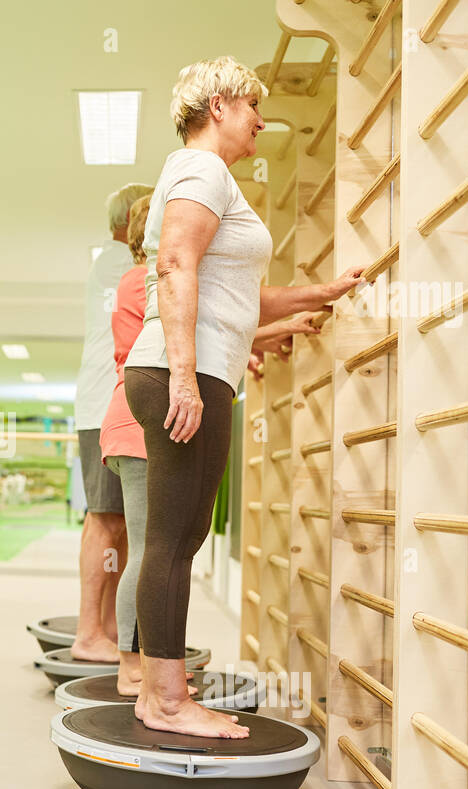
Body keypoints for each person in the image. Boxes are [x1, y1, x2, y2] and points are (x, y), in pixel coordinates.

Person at [123, 56, 364, 738]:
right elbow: (174, 264)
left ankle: (161, 688)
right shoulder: (201, 170)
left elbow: (236, 297)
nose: (261, 119)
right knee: (173, 541)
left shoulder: (210, 177)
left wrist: (322, 293)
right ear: (219, 106)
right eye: (252, 106)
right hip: (182, 373)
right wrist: (181, 374)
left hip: (197, 370)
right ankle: (164, 700)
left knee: (180, 536)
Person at [102, 193, 320, 696]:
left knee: (157, 545)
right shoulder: (148, 279)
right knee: (151, 547)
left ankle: (146, 664)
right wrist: (284, 320)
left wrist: (276, 331)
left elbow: (212, 328)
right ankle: (133, 667)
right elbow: (200, 321)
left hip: (140, 422)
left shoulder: (151, 280)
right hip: (140, 424)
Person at [71, 181, 154, 663]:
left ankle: (105, 627)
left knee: (118, 522)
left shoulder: (117, 263)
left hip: (108, 403)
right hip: (107, 403)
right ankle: (88, 632)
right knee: (105, 520)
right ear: (132, 221)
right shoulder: (123, 265)